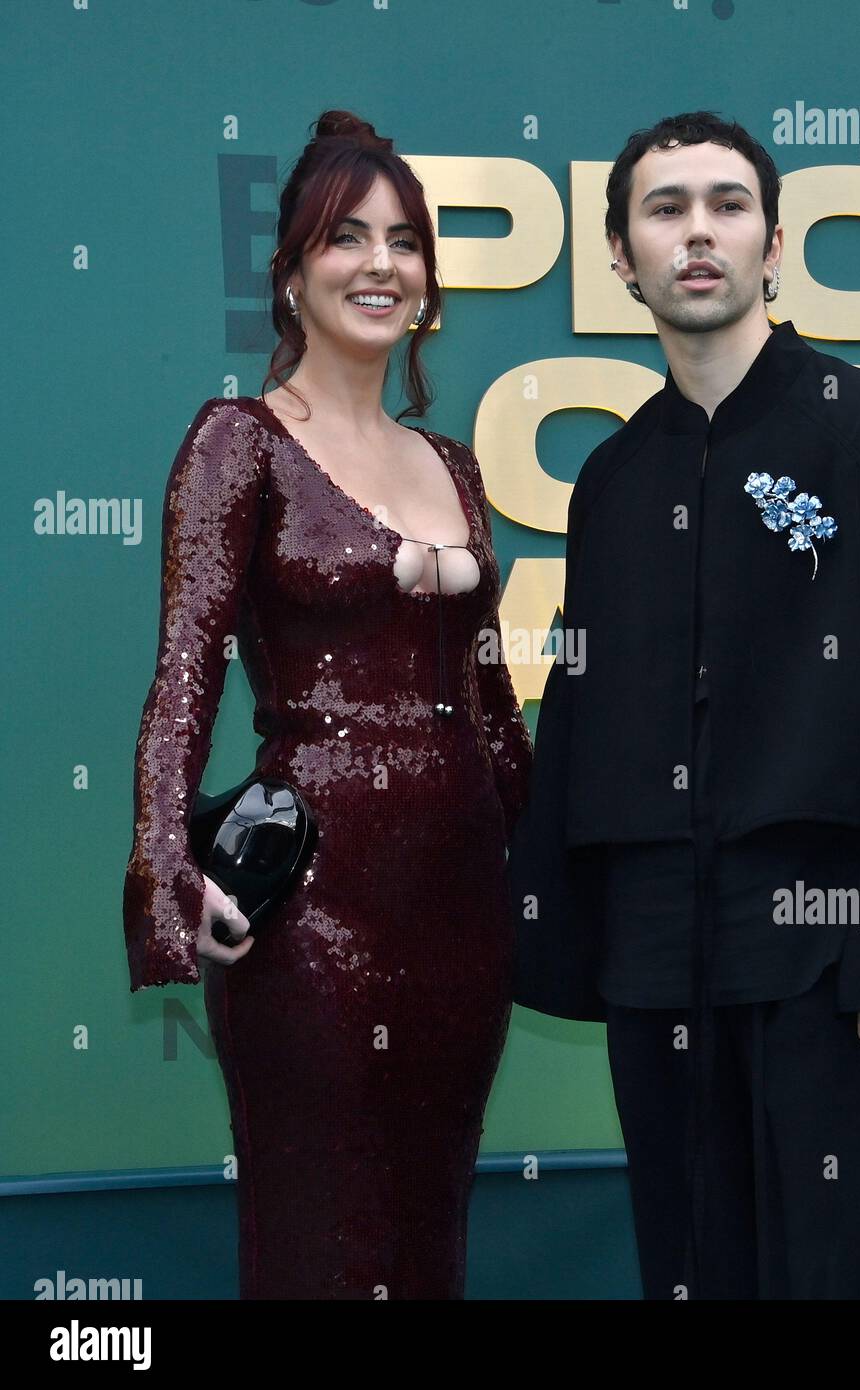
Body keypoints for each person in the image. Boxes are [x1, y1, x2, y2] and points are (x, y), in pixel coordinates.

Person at [509, 110, 860, 1300]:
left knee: (843, 1273)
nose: (698, 233)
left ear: (774, 245)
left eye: (727, 206)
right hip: (654, 949)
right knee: (688, 1265)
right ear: (621, 257)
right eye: (665, 209)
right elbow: (576, 708)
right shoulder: (610, 477)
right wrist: (557, 924)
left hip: (830, 955)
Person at [122, 109, 533, 1299]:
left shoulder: (451, 463)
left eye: (403, 241)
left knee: (431, 1229)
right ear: (292, 274)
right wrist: (166, 873)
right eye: (345, 238)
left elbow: (490, 696)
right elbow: (184, 674)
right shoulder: (235, 442)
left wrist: (549, 855)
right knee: (323, 1237)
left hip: (459, 908)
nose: (379, 264)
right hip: (308, 910)